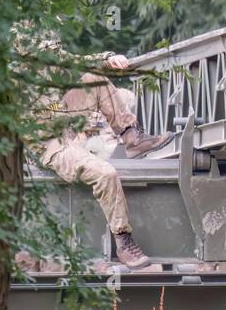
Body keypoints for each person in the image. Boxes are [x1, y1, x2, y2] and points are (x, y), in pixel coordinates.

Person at [17, 26, 172, 269]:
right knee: (106, 173)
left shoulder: (51, 61)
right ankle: (123, 241)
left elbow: (79, 62)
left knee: (94, 79)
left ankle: (132, 137)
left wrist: (108, 60)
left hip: (62, 122)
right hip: (50, 145)